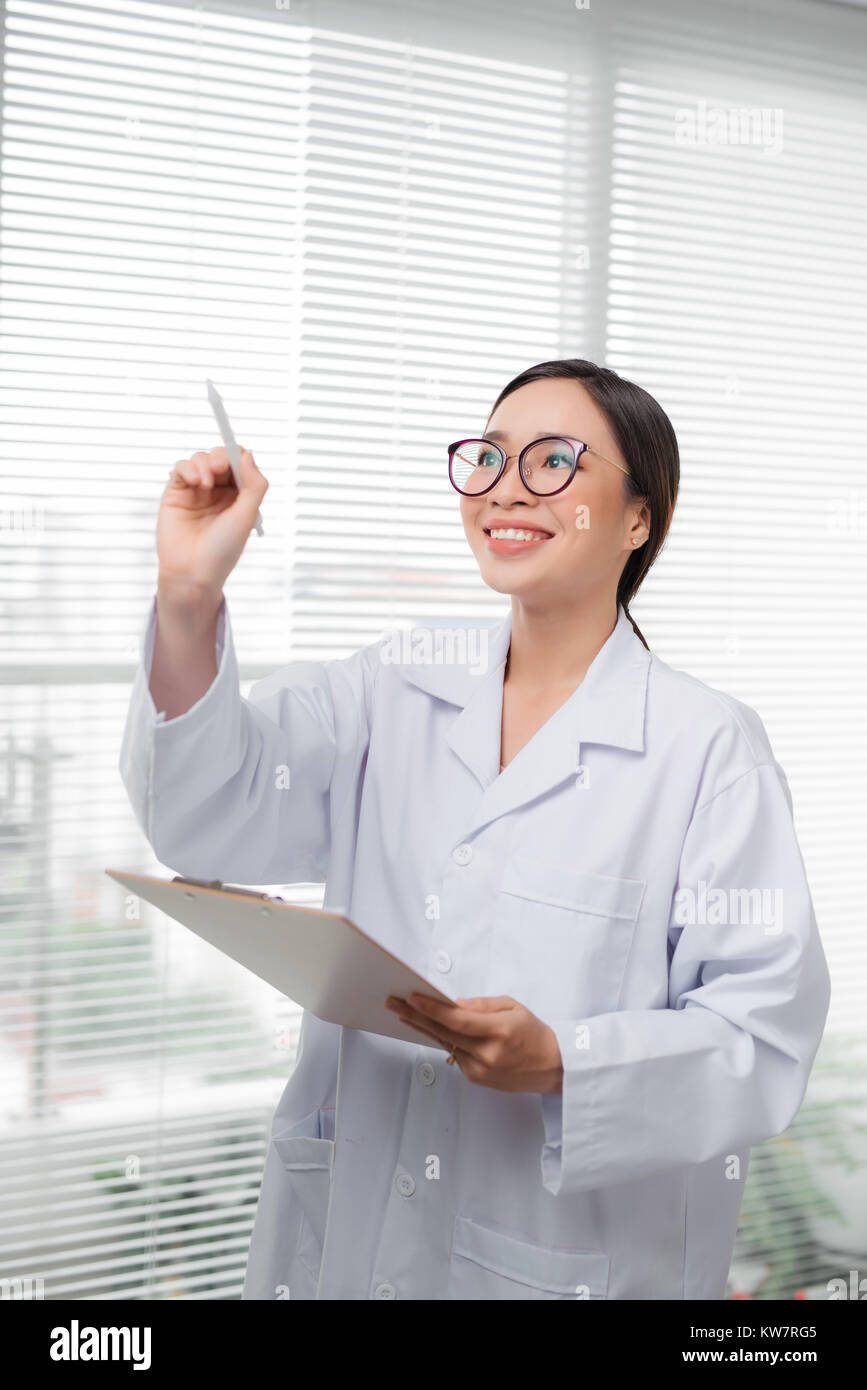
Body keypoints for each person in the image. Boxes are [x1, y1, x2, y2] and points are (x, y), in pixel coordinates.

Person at [119, 358, 830, 1300]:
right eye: (487, 457)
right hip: (353, 1244)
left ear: (636, 519)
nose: (503, 486)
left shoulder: (706, 751)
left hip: (562, 1262)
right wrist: (187, 597)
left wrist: (566, 1064)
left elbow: (761, 1039)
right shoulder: (397, 683)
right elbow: (206, 817)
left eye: (552, 461)